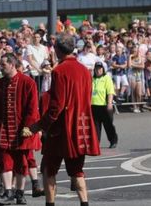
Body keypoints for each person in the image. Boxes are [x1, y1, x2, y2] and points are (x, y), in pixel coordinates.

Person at [22, 33, 99, 206]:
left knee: (49, 169)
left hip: (62, 128)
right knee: (77, 171)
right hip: (81, 125)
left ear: (57, 50)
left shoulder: (59, 71)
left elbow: (57, 106)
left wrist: (38, 126)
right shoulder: (85, 72)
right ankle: (84, 203)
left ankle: (50, 204)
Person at [0, 54, 39, 205]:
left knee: (22, 164)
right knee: (5, 162)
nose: (1, 67)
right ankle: (8, 192)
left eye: (3, 64)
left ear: (12, 64)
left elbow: (32, 108)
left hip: (21, 130)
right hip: (4, 130)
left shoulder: (28, 82)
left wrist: (28, 127)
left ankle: (20, 193)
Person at [91, 62, 118, 149]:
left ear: (103, 69)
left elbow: (110, 92)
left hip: (104, 105)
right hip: (94, 105)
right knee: (95, 127)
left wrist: (109, 103)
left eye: (100, 68)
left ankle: (113, 140)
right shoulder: (92, 79)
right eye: (97, 69)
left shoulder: (106, 78)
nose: (98, 70)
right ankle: (96, 143)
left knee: (108, 125)